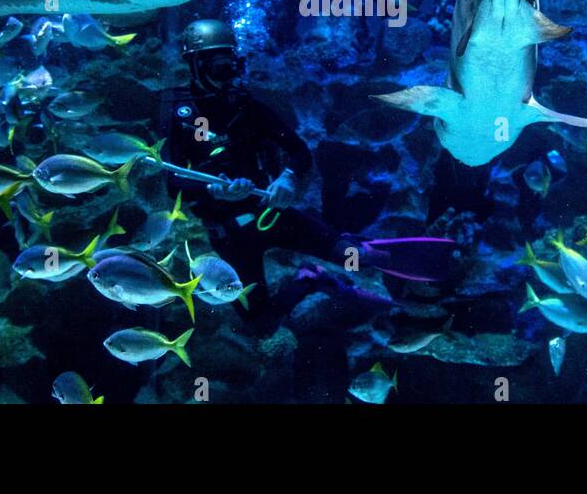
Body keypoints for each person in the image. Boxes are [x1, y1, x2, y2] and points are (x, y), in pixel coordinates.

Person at [160, 19, 456, 322]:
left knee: (353, 259)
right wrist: (211, 189)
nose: (228, 76)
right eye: (218, 66)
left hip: (271, 214)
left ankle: (360, 249)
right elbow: (172, 182)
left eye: (231, 64)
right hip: (230, 234)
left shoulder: (249, 110)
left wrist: (287, 178)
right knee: (259, 323)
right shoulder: (180, 114)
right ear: (195, 64)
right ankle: (311, 280)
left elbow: (299, 152)